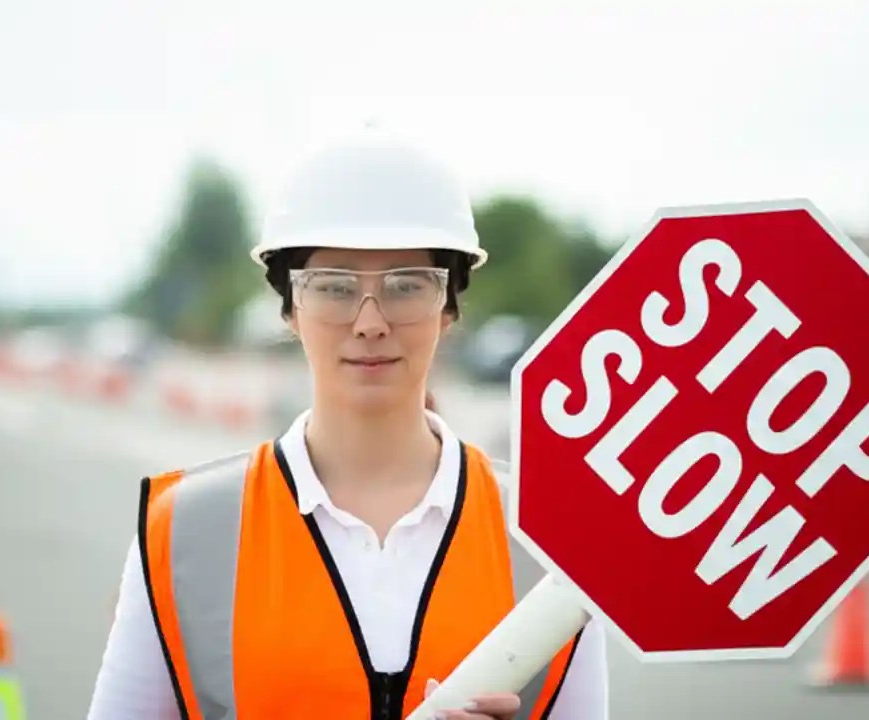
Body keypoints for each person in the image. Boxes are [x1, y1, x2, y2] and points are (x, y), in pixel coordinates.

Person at [86, 128, 609, 720]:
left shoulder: (546, 537)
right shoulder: (184, 530)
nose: (369, 322)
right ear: (289, 307)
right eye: (333, 287)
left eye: (407, 286)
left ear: (449, 305)